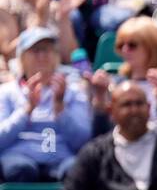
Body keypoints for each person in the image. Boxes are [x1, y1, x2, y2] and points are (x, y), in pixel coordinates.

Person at [0, 26, 91, 181]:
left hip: (61, 157)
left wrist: (60, 109)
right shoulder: (6, 92)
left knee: (76, 170)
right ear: (22, 57)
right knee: (20, 169)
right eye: (35, 50)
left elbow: (82, 141)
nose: (42, 56)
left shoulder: (73, 91)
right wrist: (27, 110)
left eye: (48, 50)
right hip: (19, 156)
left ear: (56, 56)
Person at [88, 16, 157, 138]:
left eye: (132, 45)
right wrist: (100, 100)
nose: (125, 50)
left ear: (152, 47)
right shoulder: (115, 86)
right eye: (121, 45)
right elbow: (99, 138)